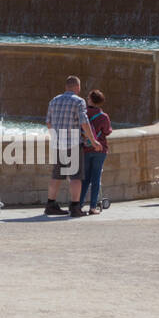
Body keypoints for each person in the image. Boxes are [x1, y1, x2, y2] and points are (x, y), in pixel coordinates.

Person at [45, 75, 102, 217]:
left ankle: (50, 205)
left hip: (58, 143)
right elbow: (84, 122)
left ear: (66, 87)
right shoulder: (79, 101)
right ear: (77, 87)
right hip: (73, 144)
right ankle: (75, 207)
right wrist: (93, 141)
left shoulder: (54, 100)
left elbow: (48, 122)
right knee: (75, 176)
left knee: (56, 175)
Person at [77, 89, 112, 214]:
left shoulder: (83, 114)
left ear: (91, 100)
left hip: (86, 149)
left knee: (85, 179)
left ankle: (79, 205)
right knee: (96, 178)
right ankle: (93, 207)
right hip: (100, 149)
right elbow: (107, 131)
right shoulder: (103, 116)